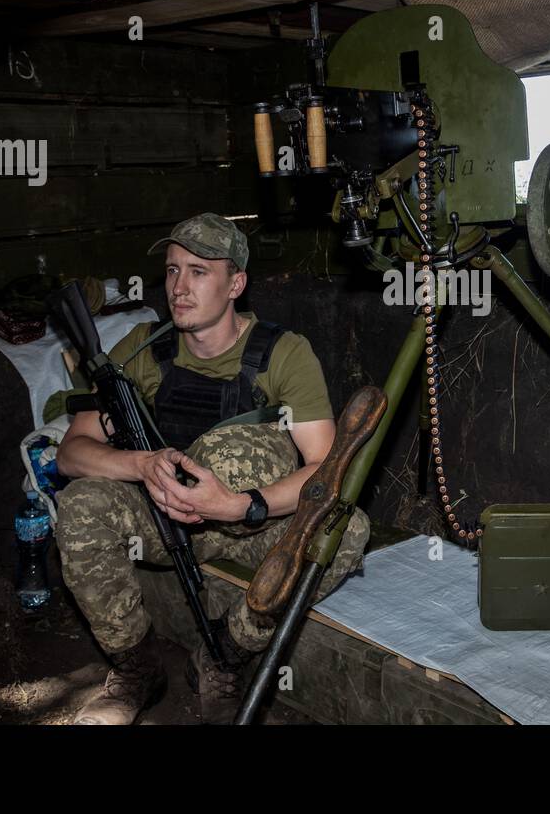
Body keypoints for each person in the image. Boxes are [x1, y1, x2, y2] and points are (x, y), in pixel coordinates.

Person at [54, 213, 369, 724]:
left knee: (346, 528)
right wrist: (142, 464)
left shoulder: (282, 352)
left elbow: (324, 469)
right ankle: (137, 666)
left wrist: (242, 504)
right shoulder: (142, 348)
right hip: (166, 521)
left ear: (235, 283)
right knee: (81, 503)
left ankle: (227, 650)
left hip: (256, 524)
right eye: (173, 270)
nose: (179, 286)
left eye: (199, 271)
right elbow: (71, 452)